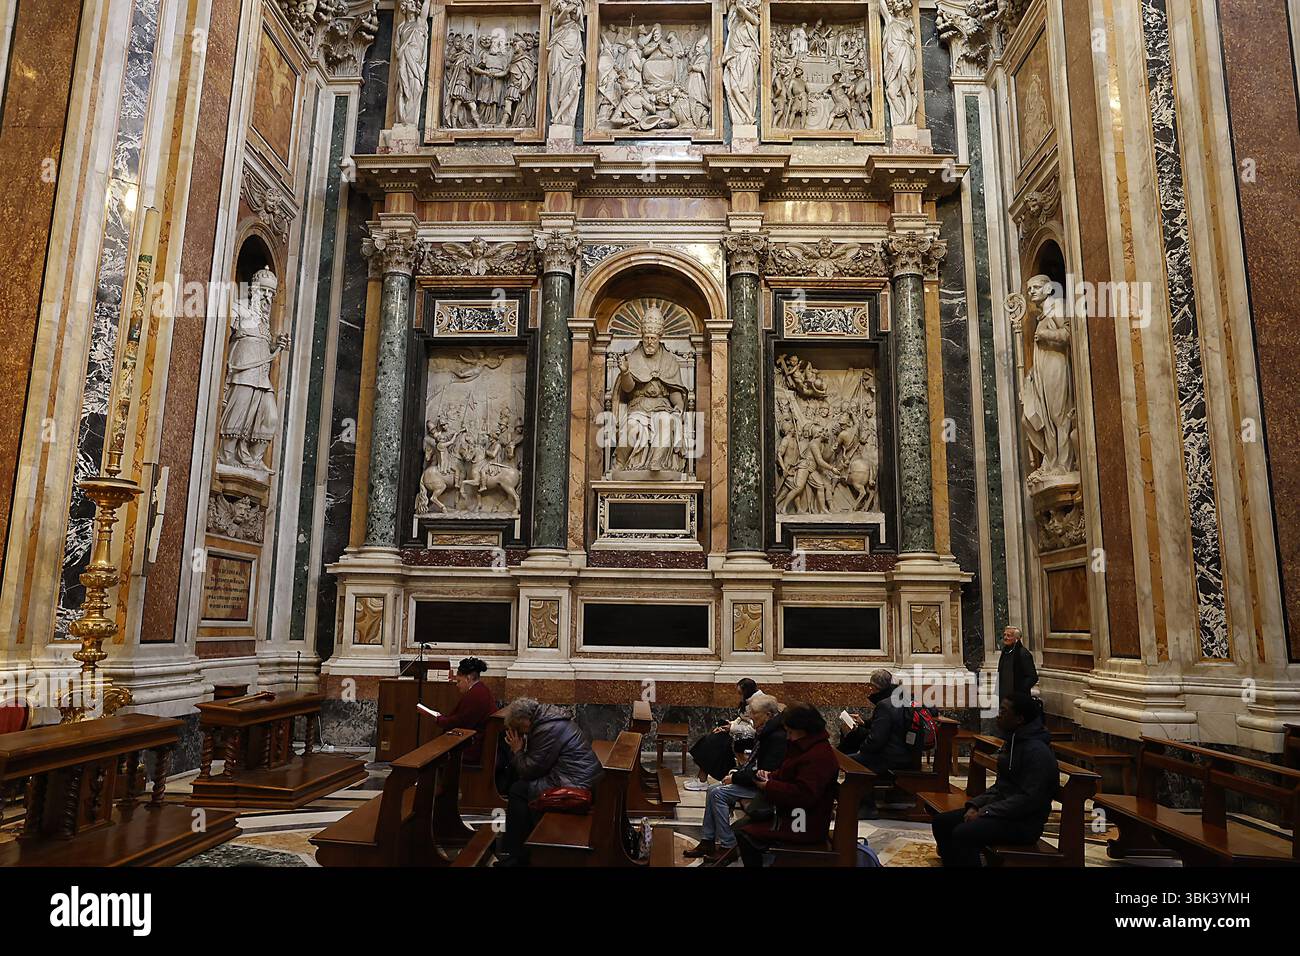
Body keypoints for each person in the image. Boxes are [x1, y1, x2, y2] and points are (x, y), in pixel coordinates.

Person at [931, 694, 1058, 867]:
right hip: (1005, 814)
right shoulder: (1014, 742)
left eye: (1003, 712)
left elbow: (1028, 800)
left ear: (1019, 718)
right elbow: (1001, 787)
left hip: (1024, 823)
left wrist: (985, 812)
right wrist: (975, 805)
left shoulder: (1037, 752)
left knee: (964, 833)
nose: (998, 715)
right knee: (942, 823)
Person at [496, 698, 603, 866]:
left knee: (518, 790)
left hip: (576, 784)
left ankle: (518, 855)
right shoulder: (548, 720)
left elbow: (530, 770)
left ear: (525, 720)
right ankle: (520, 849)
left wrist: (517, 751)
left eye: (520, 729)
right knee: (522, 789)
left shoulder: (546, 729)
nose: (522, 733)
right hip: (576, 777)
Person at [685, 693, 786, 863]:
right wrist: (736, 773)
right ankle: (707, 841)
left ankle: (728, 845)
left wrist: (736, 778)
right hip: (755, 782)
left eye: (754, 713)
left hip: (765, 789)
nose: (751, 717)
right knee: (712, 789)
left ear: (768, 715)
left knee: (718, 793)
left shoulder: (776, 737)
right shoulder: (767, 730)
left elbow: (764, 772)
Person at [735, 703, 838, 867]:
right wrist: (770, 776)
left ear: (803, 729)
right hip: (796, 814)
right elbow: (789, 772)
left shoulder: (818, 755)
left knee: (746, 832)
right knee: (744, 824)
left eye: (790, 732)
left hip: (803, 823)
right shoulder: (805, 746)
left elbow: (804, 795)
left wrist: (768, 786)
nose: (788, 737)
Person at [839, 668, 914, 817]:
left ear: (876, 687)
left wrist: (861, 749)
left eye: (871, 686)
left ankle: (866, 807)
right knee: (855, 752)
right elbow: (889, 725)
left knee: (853, 762)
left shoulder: (884, 705)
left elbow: (876, 741)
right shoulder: (901, 697)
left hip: (891, 756)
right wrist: (864, 723)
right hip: (904, 751)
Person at [685, 678, 761, 790]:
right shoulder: (749, 700)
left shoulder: (758, 703)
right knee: (710, 739)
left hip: (748, 740)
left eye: (740, 693)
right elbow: (742, 719)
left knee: (713, 743)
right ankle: (702, 779)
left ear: (747, 691)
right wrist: (729, 725)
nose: (739, 696)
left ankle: (703, 779)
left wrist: (732, 728)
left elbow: (753, 728)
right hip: (738, 733)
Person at [431, 657, 495, 764]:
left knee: (433, 754)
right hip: (477, 741)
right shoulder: (481, 689)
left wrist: (440, 719)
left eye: (459, 681)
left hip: (473, 747)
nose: (457, 685)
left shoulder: (475, 695)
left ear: (468, 678)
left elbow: (461, 722)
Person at [997, 626, 1039, 701]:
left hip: (1019, 699)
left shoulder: (1023, 654)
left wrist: (1019, 691)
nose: (1005, 638)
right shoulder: (1004, 652)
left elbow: (1033, 677)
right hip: (1004, 698)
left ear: (1017, 639)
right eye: (1004, 635)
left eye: (1009, 635)